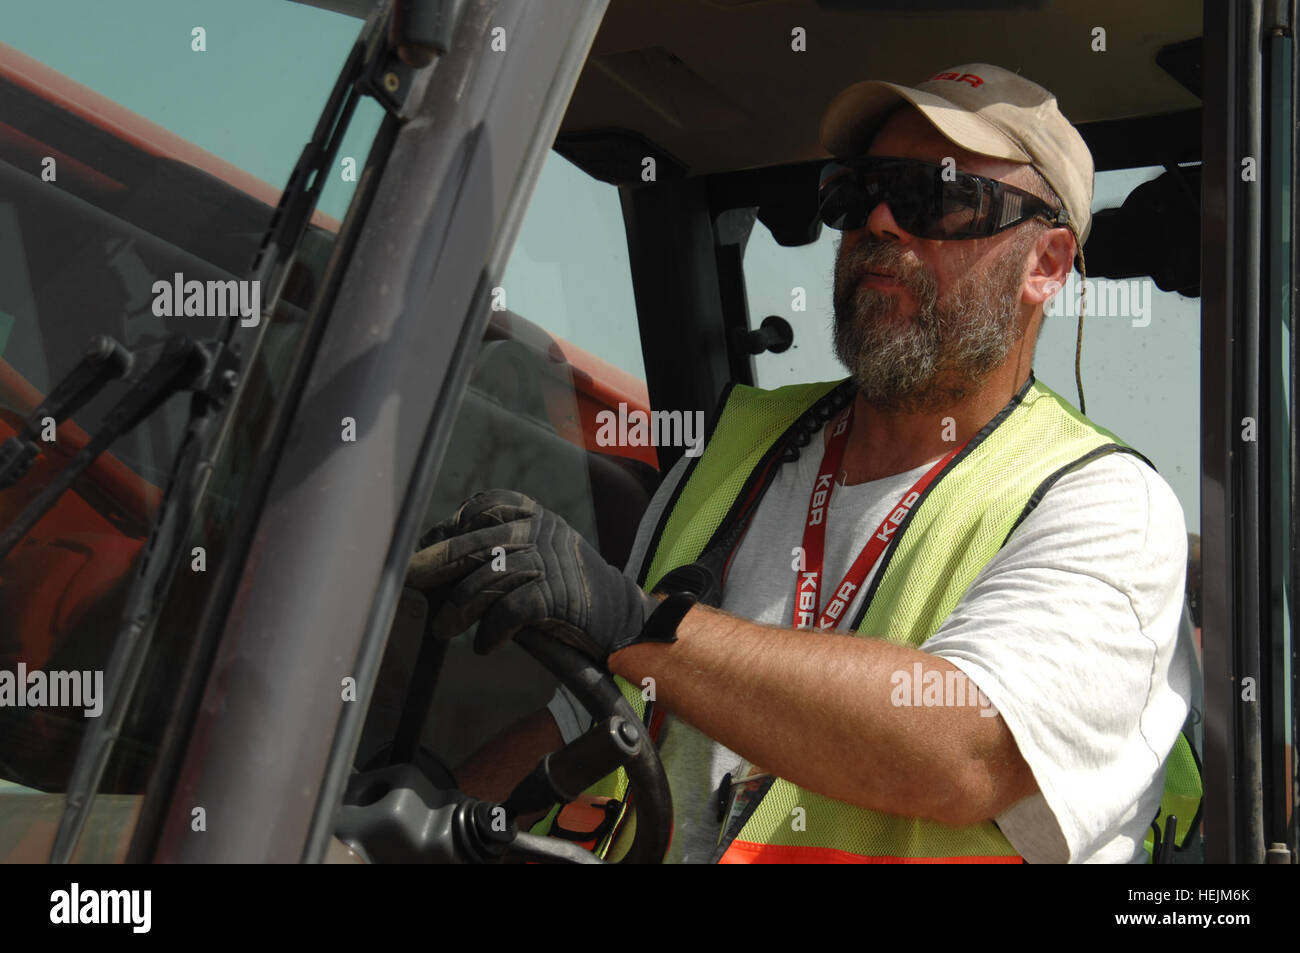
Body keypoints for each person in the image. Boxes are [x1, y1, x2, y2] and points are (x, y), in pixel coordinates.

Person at [407, 64, 1197, 864]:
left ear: (1048, 264)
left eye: (938, 196)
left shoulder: (1105, 508)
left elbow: (962, 748)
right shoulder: (735, 453)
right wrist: (410, 837)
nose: (883, 222)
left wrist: (637, 624)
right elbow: (589, 721)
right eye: (857, 192)